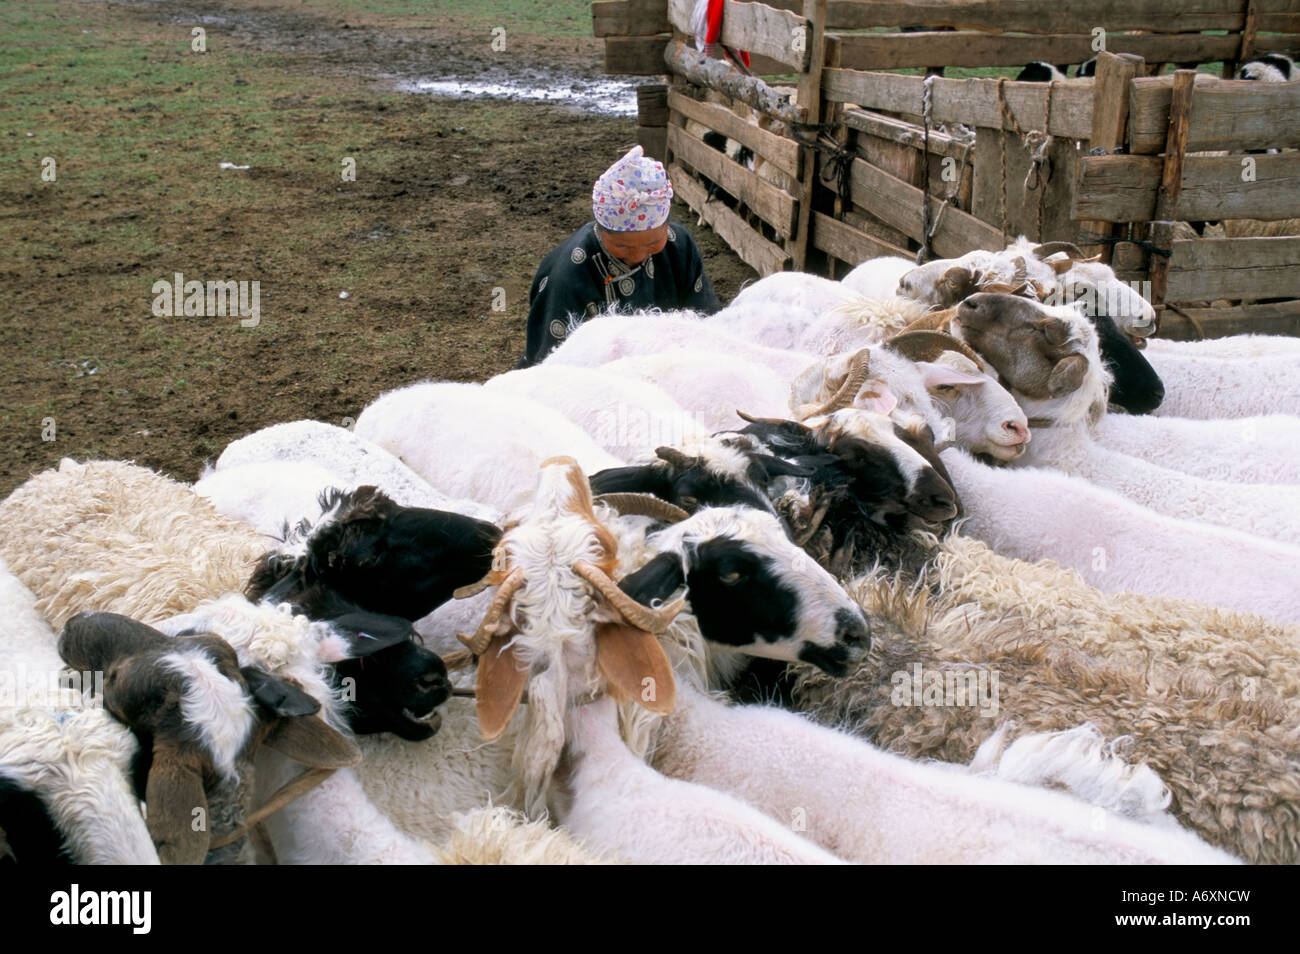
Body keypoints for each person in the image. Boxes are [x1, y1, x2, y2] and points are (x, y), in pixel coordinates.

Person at [518, 146, 720, 366]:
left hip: (667, 366)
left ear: (666, 225)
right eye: (623, 247)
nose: (638, 256)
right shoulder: (568, 276)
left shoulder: (678, 245)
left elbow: (705, 320)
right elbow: (555, 362)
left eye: (653, 243)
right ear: (601, 229)